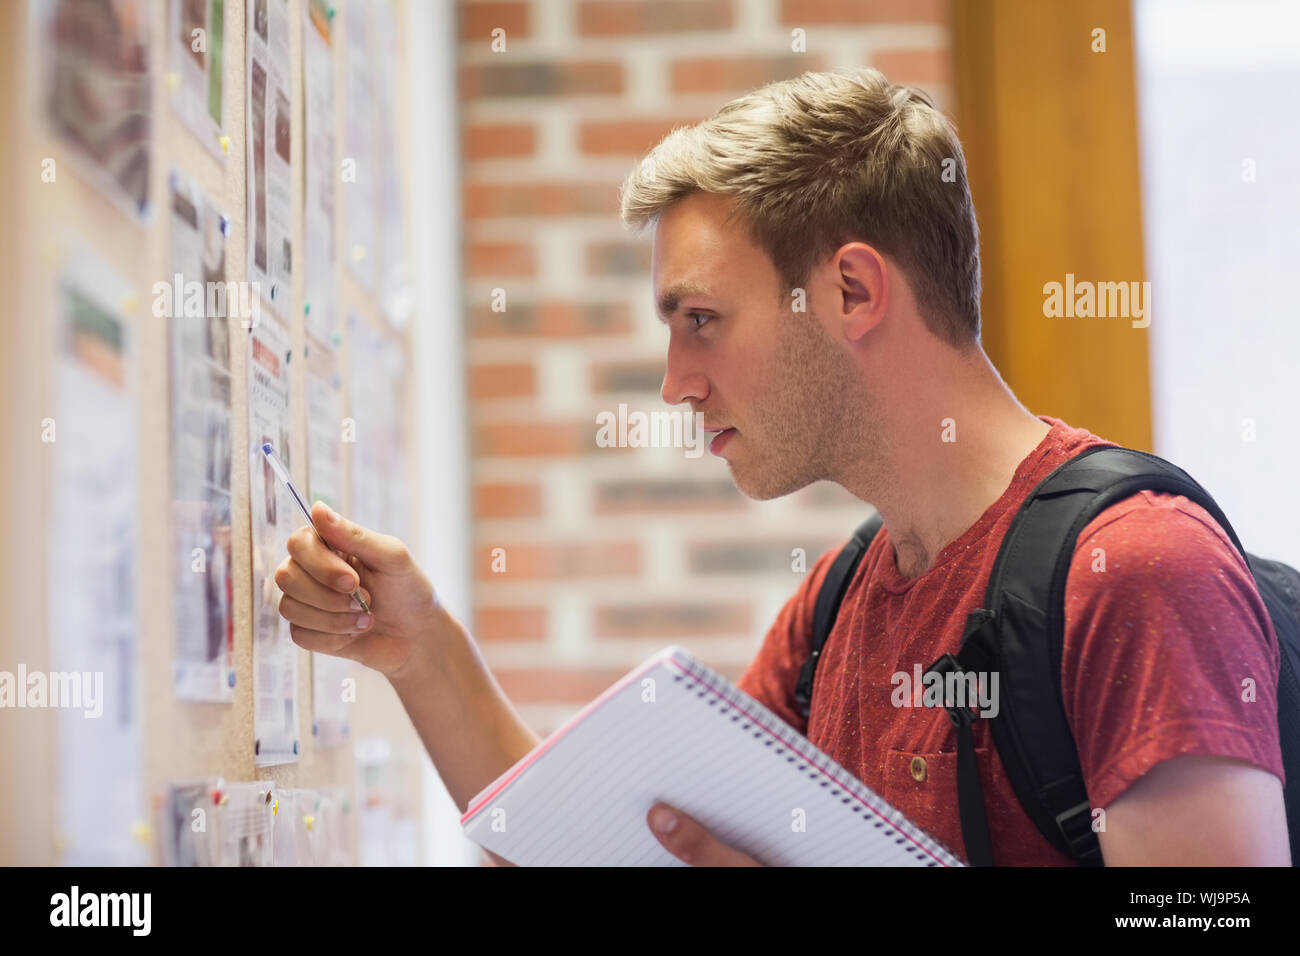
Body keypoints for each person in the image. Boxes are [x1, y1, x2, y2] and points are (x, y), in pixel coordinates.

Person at [275, 68, 1288, 866]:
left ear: (849, 290)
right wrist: (421, 652)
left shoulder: (1139, 571)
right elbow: (621, 850)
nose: (677, 383)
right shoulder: (839, 606)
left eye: (702, 320)